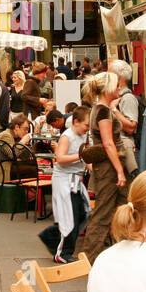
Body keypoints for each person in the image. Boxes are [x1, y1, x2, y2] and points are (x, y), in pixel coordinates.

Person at [75, 72, 128, 263]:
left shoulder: (100, 109)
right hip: (109, 167)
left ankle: (111, 253)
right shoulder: (103, 112)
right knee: (105, 212)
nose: (119, 88)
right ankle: (90, 257)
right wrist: (120, 171)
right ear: (108, 89)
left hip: (106, 166)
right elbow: (108, 143)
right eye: (116, 85)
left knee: (116, 209)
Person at [44, 107, 91, 263]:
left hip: (75, 180)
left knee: (82, 213)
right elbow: (60, 158)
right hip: (64, 179)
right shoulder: (67, 136)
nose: (87, 128)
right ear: (76, 122)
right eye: (86, 125)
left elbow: (86, 160)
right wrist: (80, 156)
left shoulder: (83, 136)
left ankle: (51, 238)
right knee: (69, 217)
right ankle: (62, 252)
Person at [0, 114, 35, 191]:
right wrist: (22, 142)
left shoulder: (14, 137)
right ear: (17, 127)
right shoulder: (5, 135)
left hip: (10, 168)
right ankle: (31, 196)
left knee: (33, 170)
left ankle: (30, 196)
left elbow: (25, 157)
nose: (26, 132)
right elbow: (12, 155)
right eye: (25, 129)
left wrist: (26, 145)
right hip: (2, 172)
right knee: (33, 171)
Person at [109, 59, 141, 178]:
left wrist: (113, 109)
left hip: (129, 153)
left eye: (109, 74)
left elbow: (131, 127)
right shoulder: (116, 97)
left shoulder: (127, 98)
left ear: (118, 77)